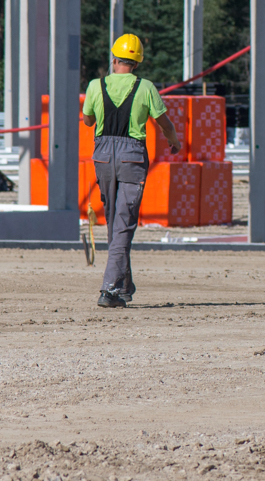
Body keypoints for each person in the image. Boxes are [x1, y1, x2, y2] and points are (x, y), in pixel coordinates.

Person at [85, 34, 181, 308]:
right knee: (124, 223)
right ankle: (110, 289)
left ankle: (124, 285)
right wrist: (173, 141)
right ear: (137, 63)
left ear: (114, 59)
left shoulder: (95, 85)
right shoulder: (146, 87)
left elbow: (87, 120)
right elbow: (165, 123)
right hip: (131, 157)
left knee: (114, 218)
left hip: (102, 155)